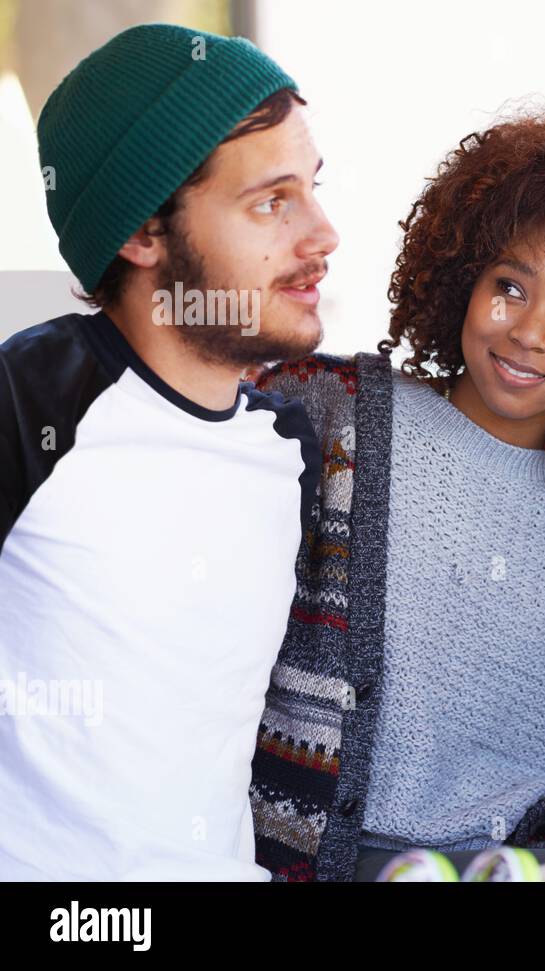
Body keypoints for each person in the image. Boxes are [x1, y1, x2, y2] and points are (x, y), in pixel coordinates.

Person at [249, 105, 545, 880]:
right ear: (461, 277)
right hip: (344, 854)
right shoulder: (336, 410)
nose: (530, 332)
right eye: (510, 286)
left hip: (542, 859)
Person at [0, 24, 337, 879]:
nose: (322, 235)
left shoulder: (290, 446)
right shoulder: (30, 401)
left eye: (313, 189)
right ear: (144, 233)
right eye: (271, 203)